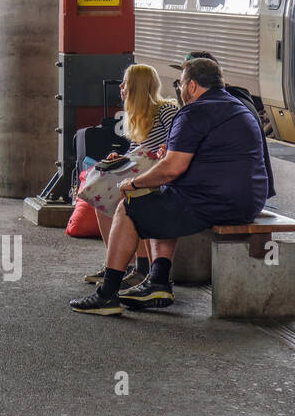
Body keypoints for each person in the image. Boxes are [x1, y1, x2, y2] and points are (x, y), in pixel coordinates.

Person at [70, 58, 269, 315]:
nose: (181, 89)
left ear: (193, 86)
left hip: (214, 201)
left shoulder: (193, 112)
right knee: (160, 200)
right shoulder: (239, 108)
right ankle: (158, 282)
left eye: (182, 83)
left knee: (130, 206)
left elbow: (172, 168)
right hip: (249, 201)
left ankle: (107, 294)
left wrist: (132, 183)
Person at [81, 64, 179, 288]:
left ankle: (137, 267)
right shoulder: (136, 115)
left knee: (130, 200)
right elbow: (135, 150)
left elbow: (177, 140)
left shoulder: (166, 110)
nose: (122, 88)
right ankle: (118, 263)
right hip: (142, 168)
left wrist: (165, 147)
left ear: (138, 86)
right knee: (98, 197)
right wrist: (120, 157)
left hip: (157, 172)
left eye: (126, 83)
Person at [181, 50, 274, 199]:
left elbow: (178, 165)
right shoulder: (236, 100)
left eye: (183, 82)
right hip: (253, 191)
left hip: (233, 196)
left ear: (194, 84)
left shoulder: (216, 108)